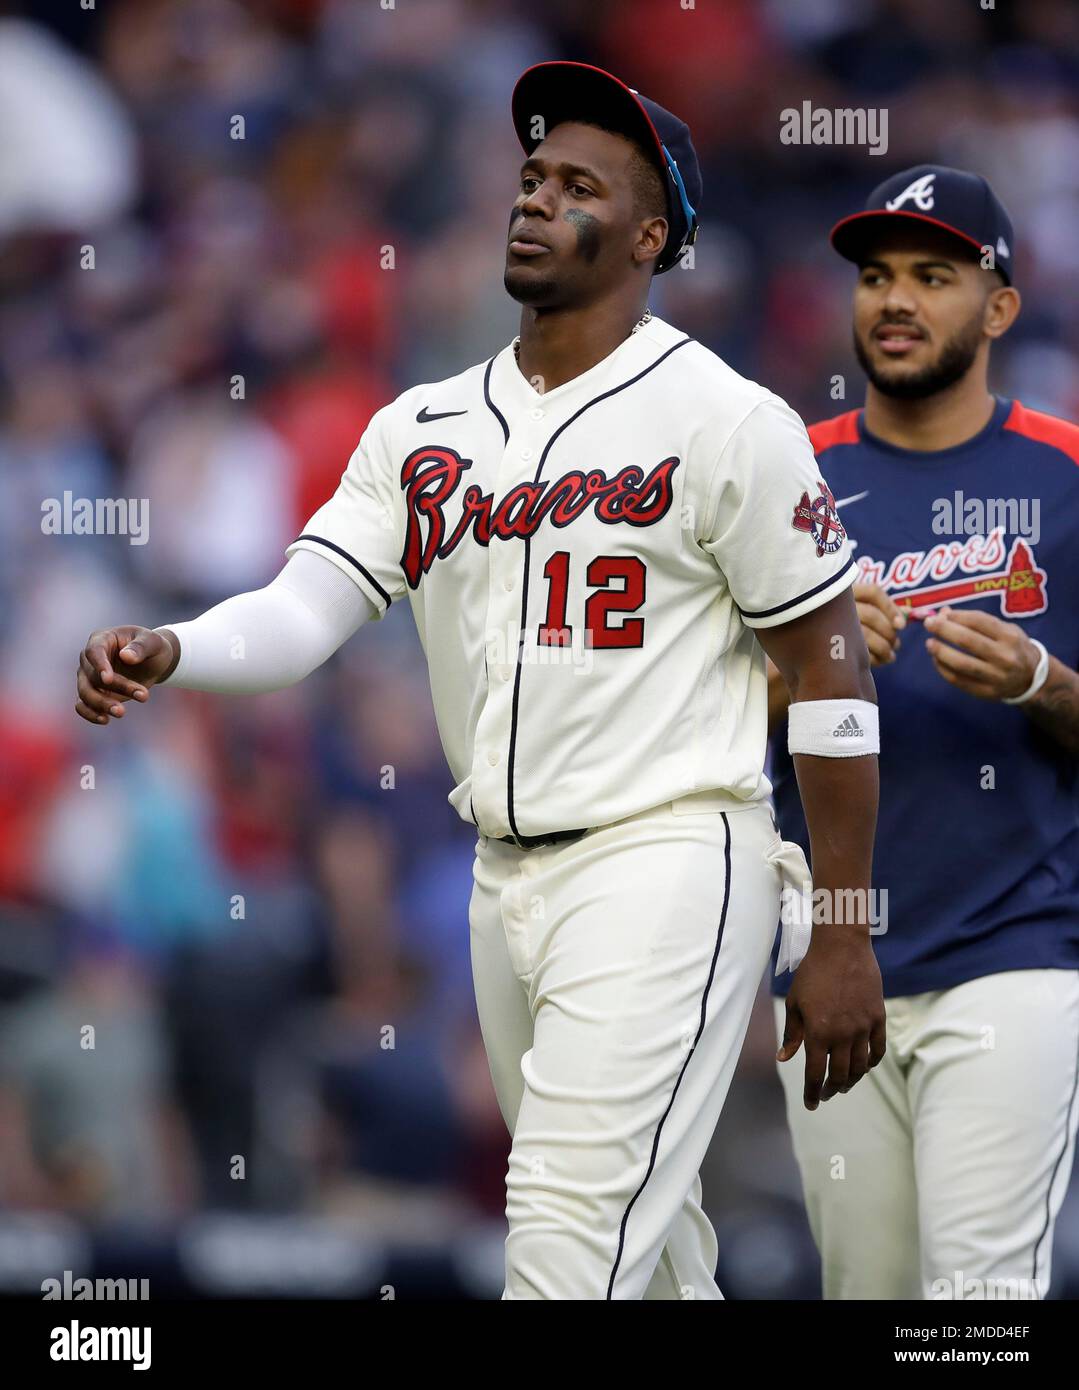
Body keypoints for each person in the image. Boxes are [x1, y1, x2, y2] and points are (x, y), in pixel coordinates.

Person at [76, 61, 884, 1300]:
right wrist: (180, 646)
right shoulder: (422, 425)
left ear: (651, 233)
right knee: (648, 1261)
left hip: (668, 856)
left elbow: (828, 666)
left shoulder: (725, 418)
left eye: (576, 186)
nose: (534, 199)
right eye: (529, 177)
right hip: (502, 880)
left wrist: (838, 927)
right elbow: (303, 613)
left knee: (561, 1243)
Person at [768, 165, 1079, 1300]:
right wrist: (805, 656)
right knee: (868, 1291)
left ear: (997, 306)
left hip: (1015, 953)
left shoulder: (1063, 472)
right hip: (827, 955)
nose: (892, 301)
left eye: (932, 276)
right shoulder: (780, 471)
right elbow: (690, 718)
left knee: (977, 1299)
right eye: (875, 276)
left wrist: (1044, 679)